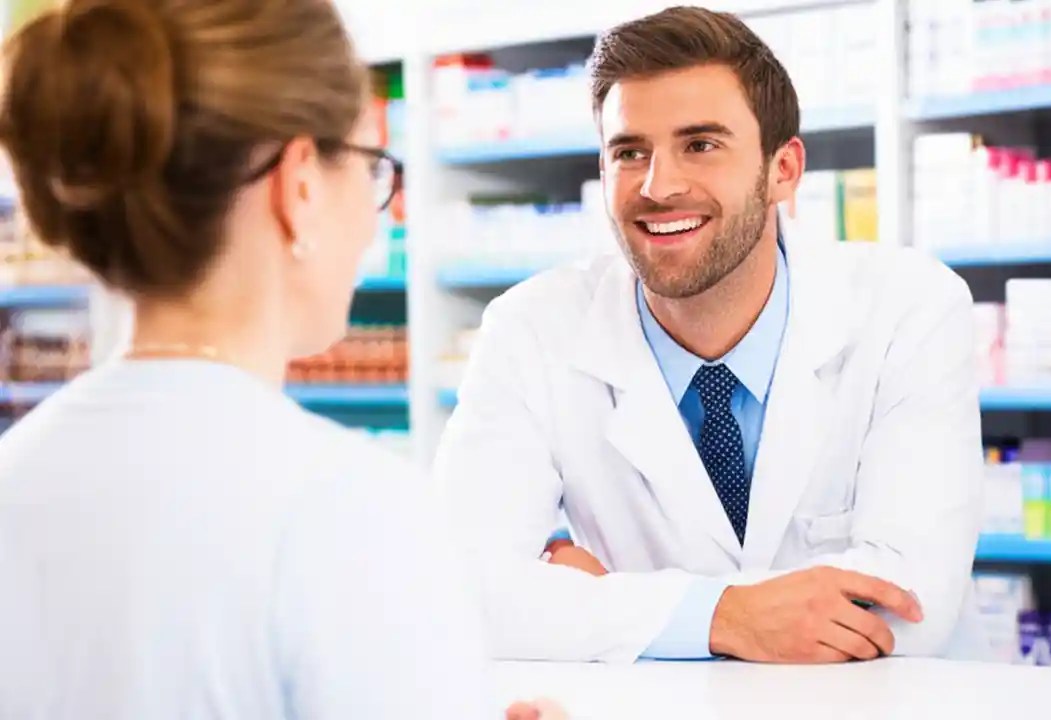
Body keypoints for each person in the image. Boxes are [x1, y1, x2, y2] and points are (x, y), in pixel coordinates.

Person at [0, 1, 552, 718]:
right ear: (299, 184)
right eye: (371, 164)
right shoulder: (352, 510)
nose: (375, 208)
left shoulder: (17, 477)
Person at [434, 6, 984, 665]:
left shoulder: (910, 308)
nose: (658, 186)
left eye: (701, 144)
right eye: (629, 152)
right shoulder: (531, 329)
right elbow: (454, 591)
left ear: (783, 169)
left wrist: (606, 606)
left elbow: (908, 606)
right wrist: (724, 616)